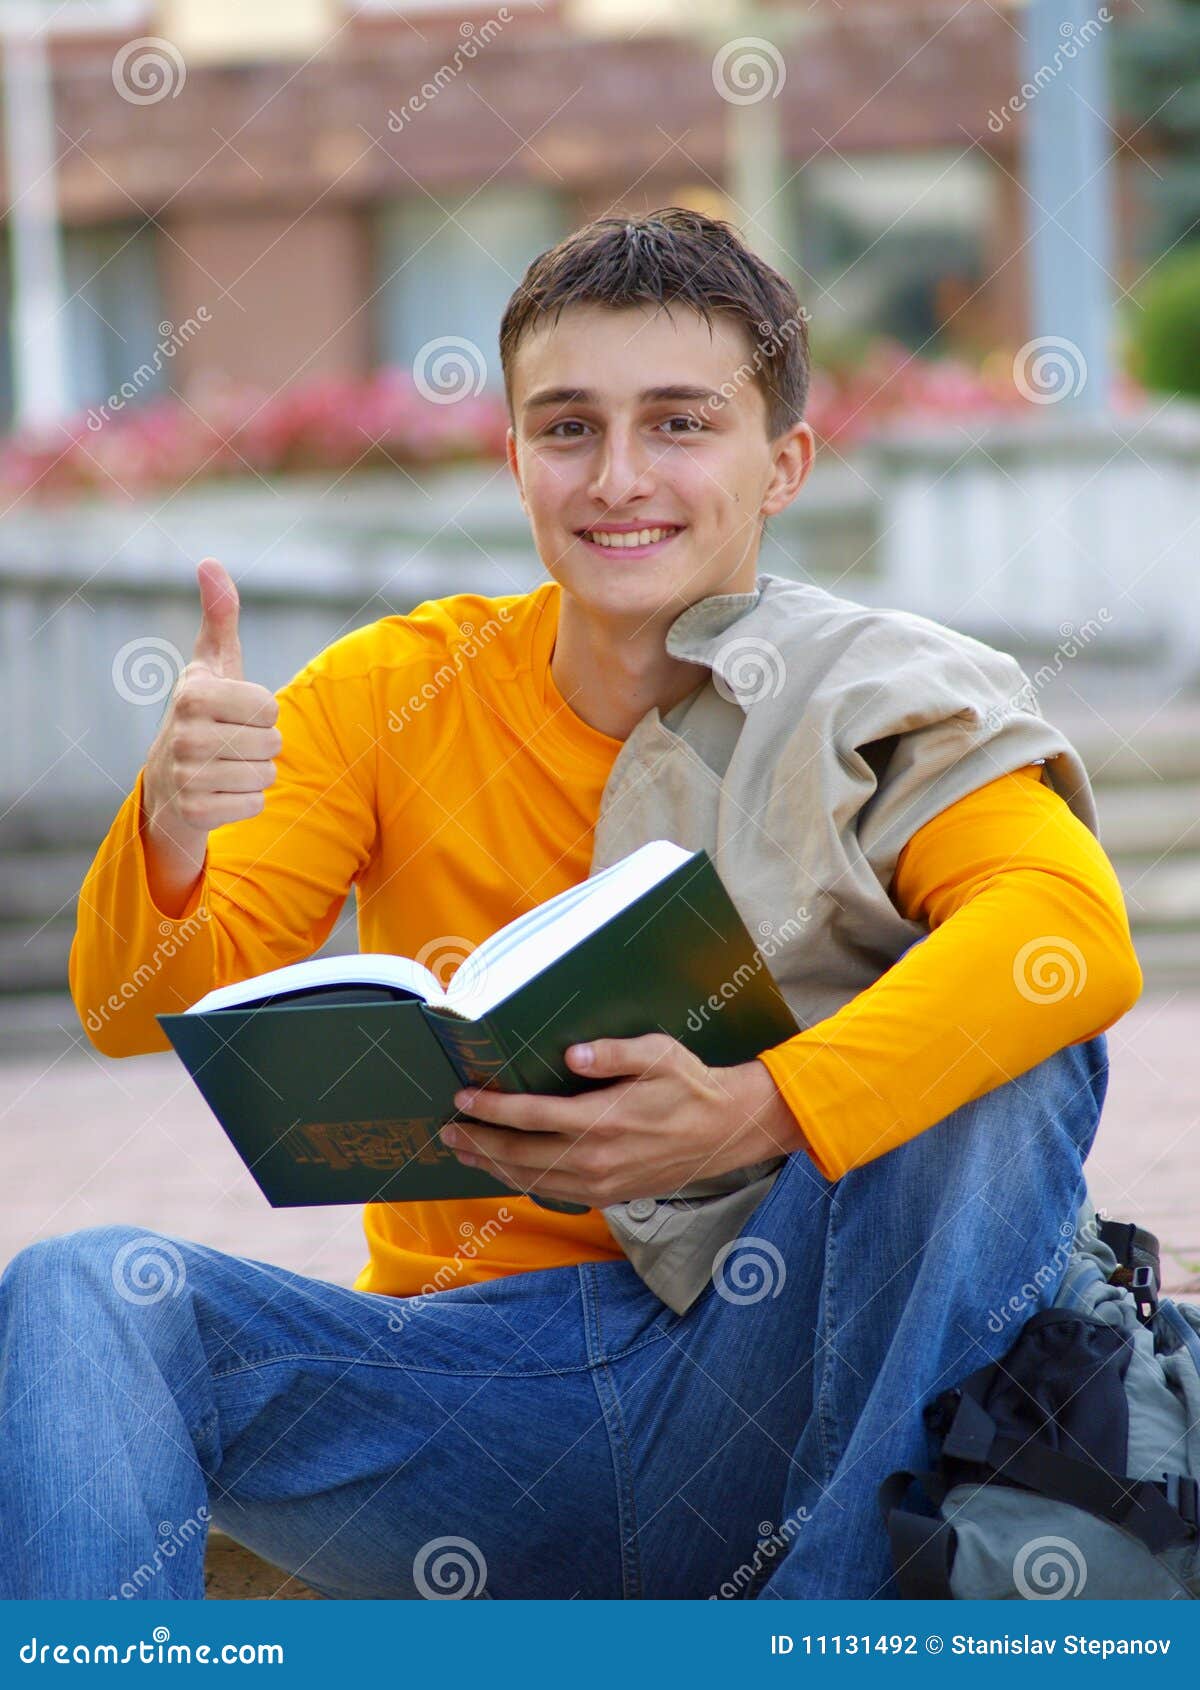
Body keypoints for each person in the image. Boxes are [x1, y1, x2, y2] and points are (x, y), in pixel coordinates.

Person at [0, 209, 1140, 1601]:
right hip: (465, 1396)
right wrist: (172, 825)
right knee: (79, 1294)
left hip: (781, 1369)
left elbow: (1067, 937)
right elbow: (129, 1013)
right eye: (567, 427)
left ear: (782, 462)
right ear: (515, 456)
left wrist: (760, 1107)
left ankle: (810, 1630)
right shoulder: (391, 690)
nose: (618, 479)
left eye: (677, 423)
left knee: (1008, 1059)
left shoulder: (875, 693)